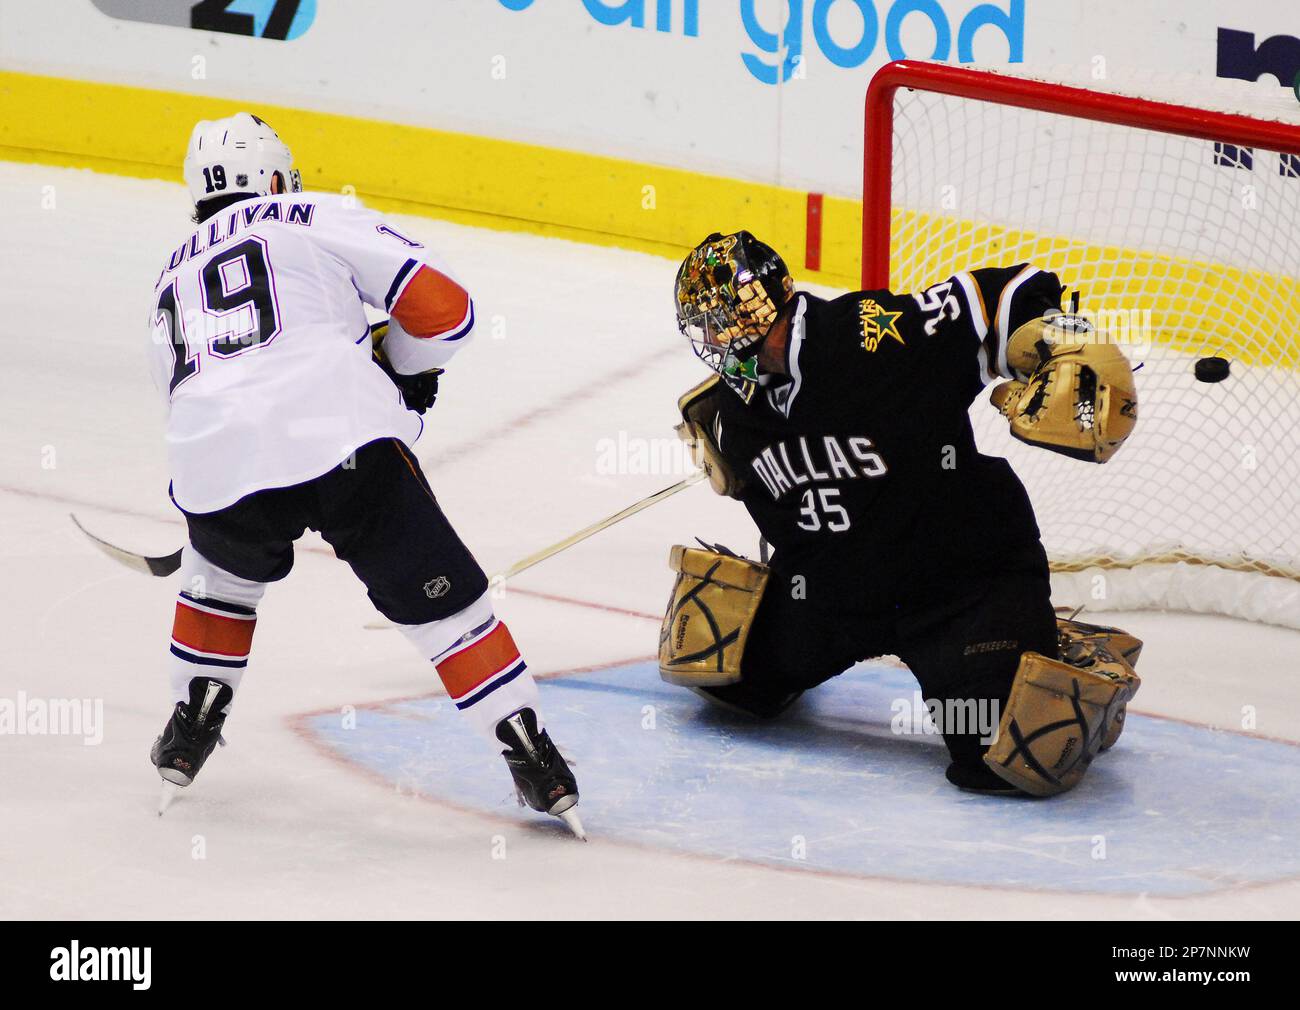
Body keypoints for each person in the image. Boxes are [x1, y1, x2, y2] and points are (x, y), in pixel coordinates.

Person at [146, 113, 582, 836]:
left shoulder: (169, 274)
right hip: (340, 433)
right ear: (278, 177)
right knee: (449, 616)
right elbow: (447, 311)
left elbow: (188, 412)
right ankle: (532, 753)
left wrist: (201, 513)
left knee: (220, 582)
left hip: (214, 462)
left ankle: (191, 722)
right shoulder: (311, 211)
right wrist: (401, 369)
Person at [658, 231, 1143, 796]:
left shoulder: (872, 335)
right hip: (837, 595)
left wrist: (1057, 344)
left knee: (1004, 759)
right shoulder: (733, 416)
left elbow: (1008, 293)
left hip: (960, 587)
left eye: (713, 323)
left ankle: (1067, 647)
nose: (710, 340)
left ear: (749, 315)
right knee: (733, 687)